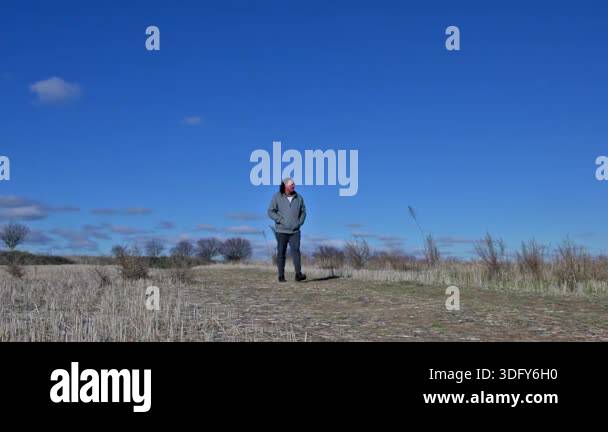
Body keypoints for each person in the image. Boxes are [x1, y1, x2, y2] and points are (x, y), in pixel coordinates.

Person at [267, 177, 307, 282]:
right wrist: (280, 220)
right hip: (281, 231)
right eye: (291, 185)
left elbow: (303, 212)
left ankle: (298, 274)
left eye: (294, 184)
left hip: (295, 231)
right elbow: (270, 211)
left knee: (296, 252)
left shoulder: (299, 198)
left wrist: (300, 222)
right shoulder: (277, 197)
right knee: (281, 253)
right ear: (285, 186)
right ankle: (281, 276)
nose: (293, 186)